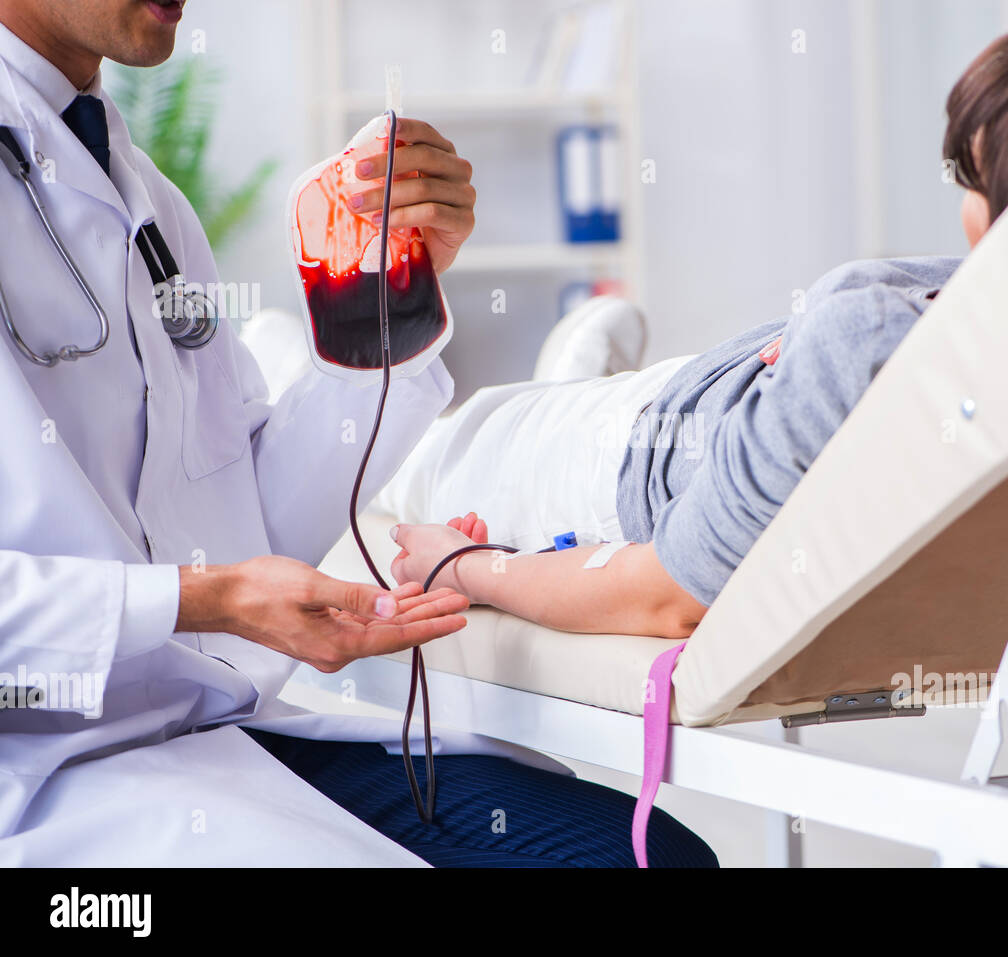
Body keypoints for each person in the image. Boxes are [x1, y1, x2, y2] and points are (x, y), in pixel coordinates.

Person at [0, 0, 716, 867]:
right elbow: (216, 581)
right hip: (44, 775)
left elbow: (239, 521)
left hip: (211, 734)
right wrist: (207, 601)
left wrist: (385, 308)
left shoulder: (147, 200)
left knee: (646, 857)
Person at [383, 9, 1008, 637]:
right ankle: (573, 372)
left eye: (973, 180)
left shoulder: (879, 348)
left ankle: (558, 380)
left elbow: (670, 597)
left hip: (620, 462)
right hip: (714, 395)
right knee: (583, 387)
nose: (963, 209)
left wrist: (461, 565)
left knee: (420, 450)